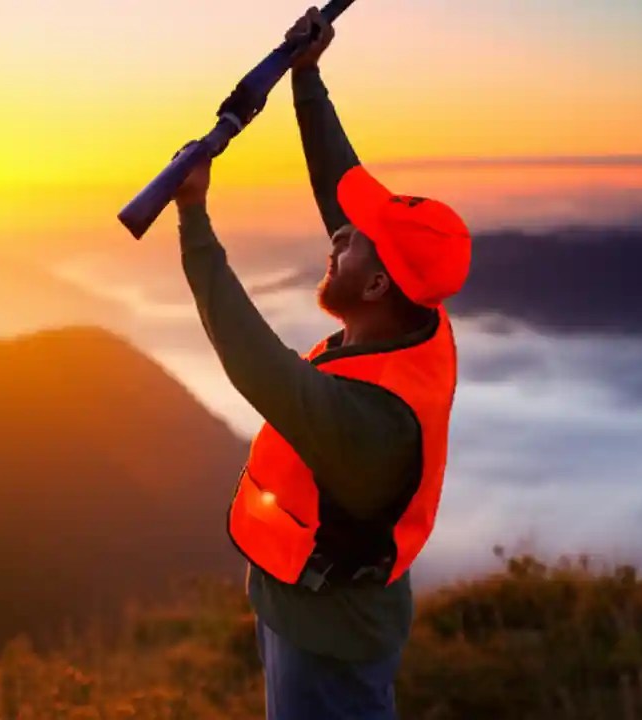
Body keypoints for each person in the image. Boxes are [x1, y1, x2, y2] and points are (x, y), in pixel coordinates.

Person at [171, 7, 472, 720]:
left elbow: (255, 362)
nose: (337, 234)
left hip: (327, 639)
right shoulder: (416, 322)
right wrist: (308, 79)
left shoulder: (373, 422)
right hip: (315, 613)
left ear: (374, 286)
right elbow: (342, 192)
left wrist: (194, 219)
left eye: (356, 242)